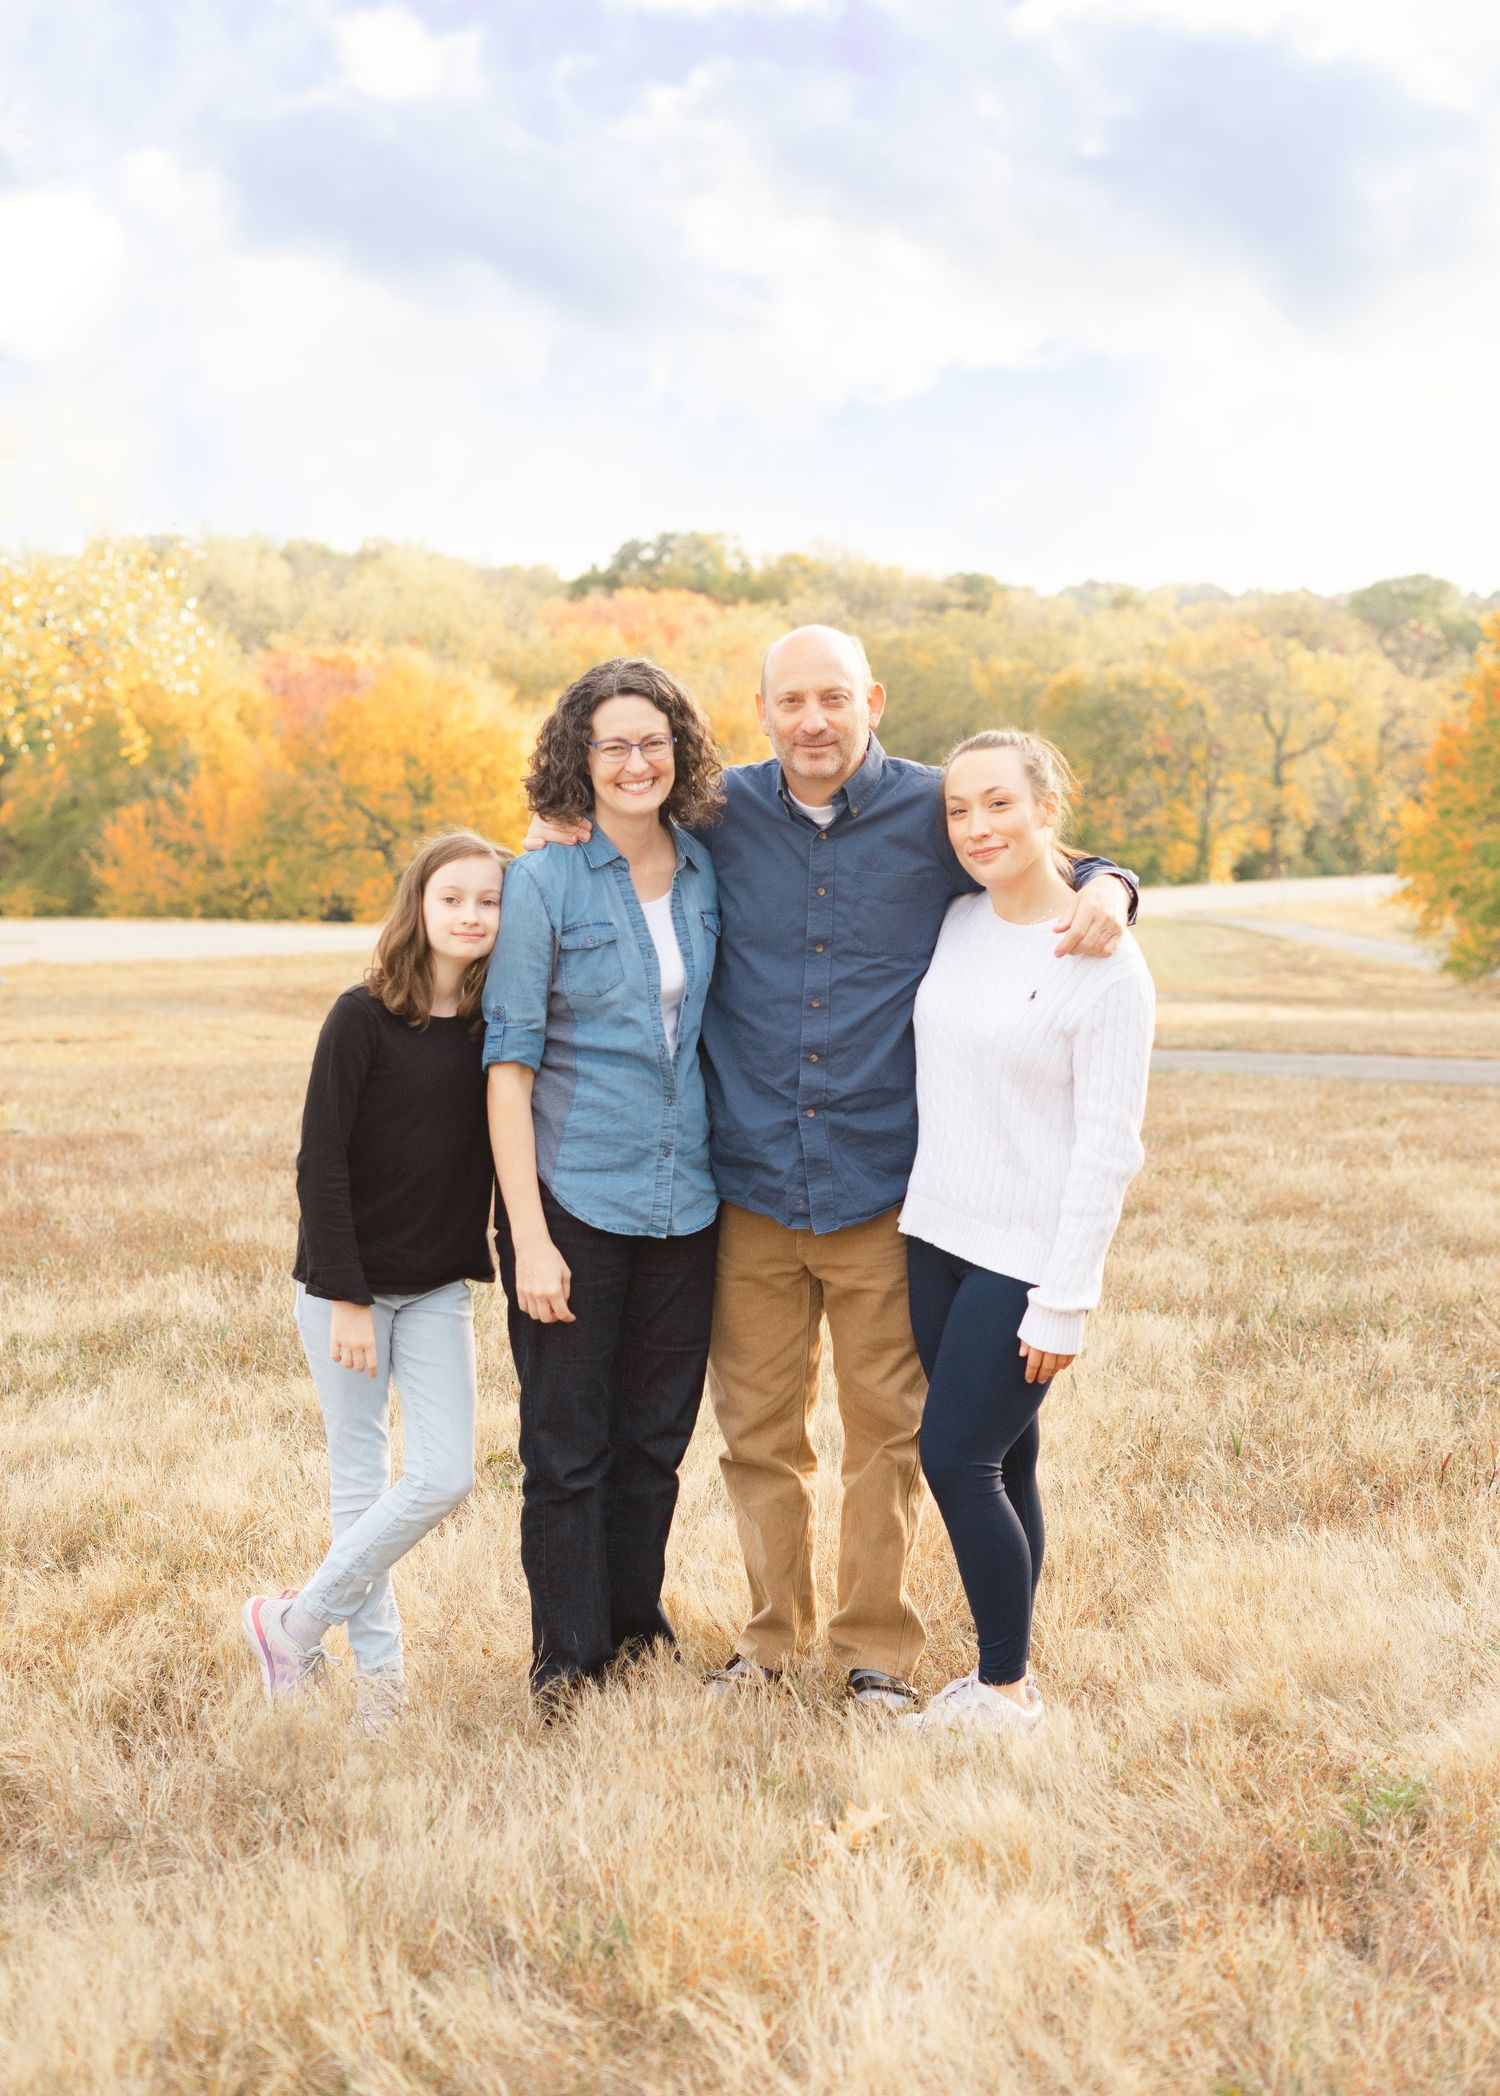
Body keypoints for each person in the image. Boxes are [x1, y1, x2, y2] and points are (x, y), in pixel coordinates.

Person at [526, 625, 1138, 1712]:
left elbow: (1031, 846)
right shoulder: (717, 811)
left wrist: (1114, 880)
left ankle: (875, 1654)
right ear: (762, 710)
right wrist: (552, 818)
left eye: (834, 698)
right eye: (791, 700)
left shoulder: (935, 811)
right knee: (758, 1437)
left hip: (882, 1194)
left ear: (874, 699)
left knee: (886, 1435)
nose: (813, 720)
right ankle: (769, 1641)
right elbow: (611, 809)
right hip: (749, 1186)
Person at [898, 731, 1154, 1734]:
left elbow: (1108, 1150)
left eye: (999, 803)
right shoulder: (958, 919)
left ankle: (1004, 1688)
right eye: (959, 809)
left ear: (1048, 807)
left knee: (955, 1456)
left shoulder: (1108, 962)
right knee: (1007, 1462)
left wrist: (1065, 1297)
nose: (976, 826)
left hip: (1025, 1254)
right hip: (937, 1234)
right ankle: (1010, 1669)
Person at [485, 658, 723, 1707]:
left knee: (656, 1437)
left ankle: (634, 1628)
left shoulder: (710, 864)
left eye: (654, 739)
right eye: (613, 742)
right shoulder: (541, 878)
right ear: (579, 757)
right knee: (567, 1441)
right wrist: (530, 1237)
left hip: (689, 1197)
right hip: (571, 1196)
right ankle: (565, 1657)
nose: (637, 760)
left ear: (681, 749)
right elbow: (509, 1065)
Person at [241, 830, 509, 1737]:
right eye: (454, 898)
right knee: (360, 1479)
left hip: (437, 1290)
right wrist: (346, 1294)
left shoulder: (494, 1027)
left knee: (443, 1475)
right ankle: (381, 1692)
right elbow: (321, 1164)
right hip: (345, 1291)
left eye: (490, 900)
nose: (472, 914)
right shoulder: (360, 1018)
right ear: (419, 908)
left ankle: (293, 1624)